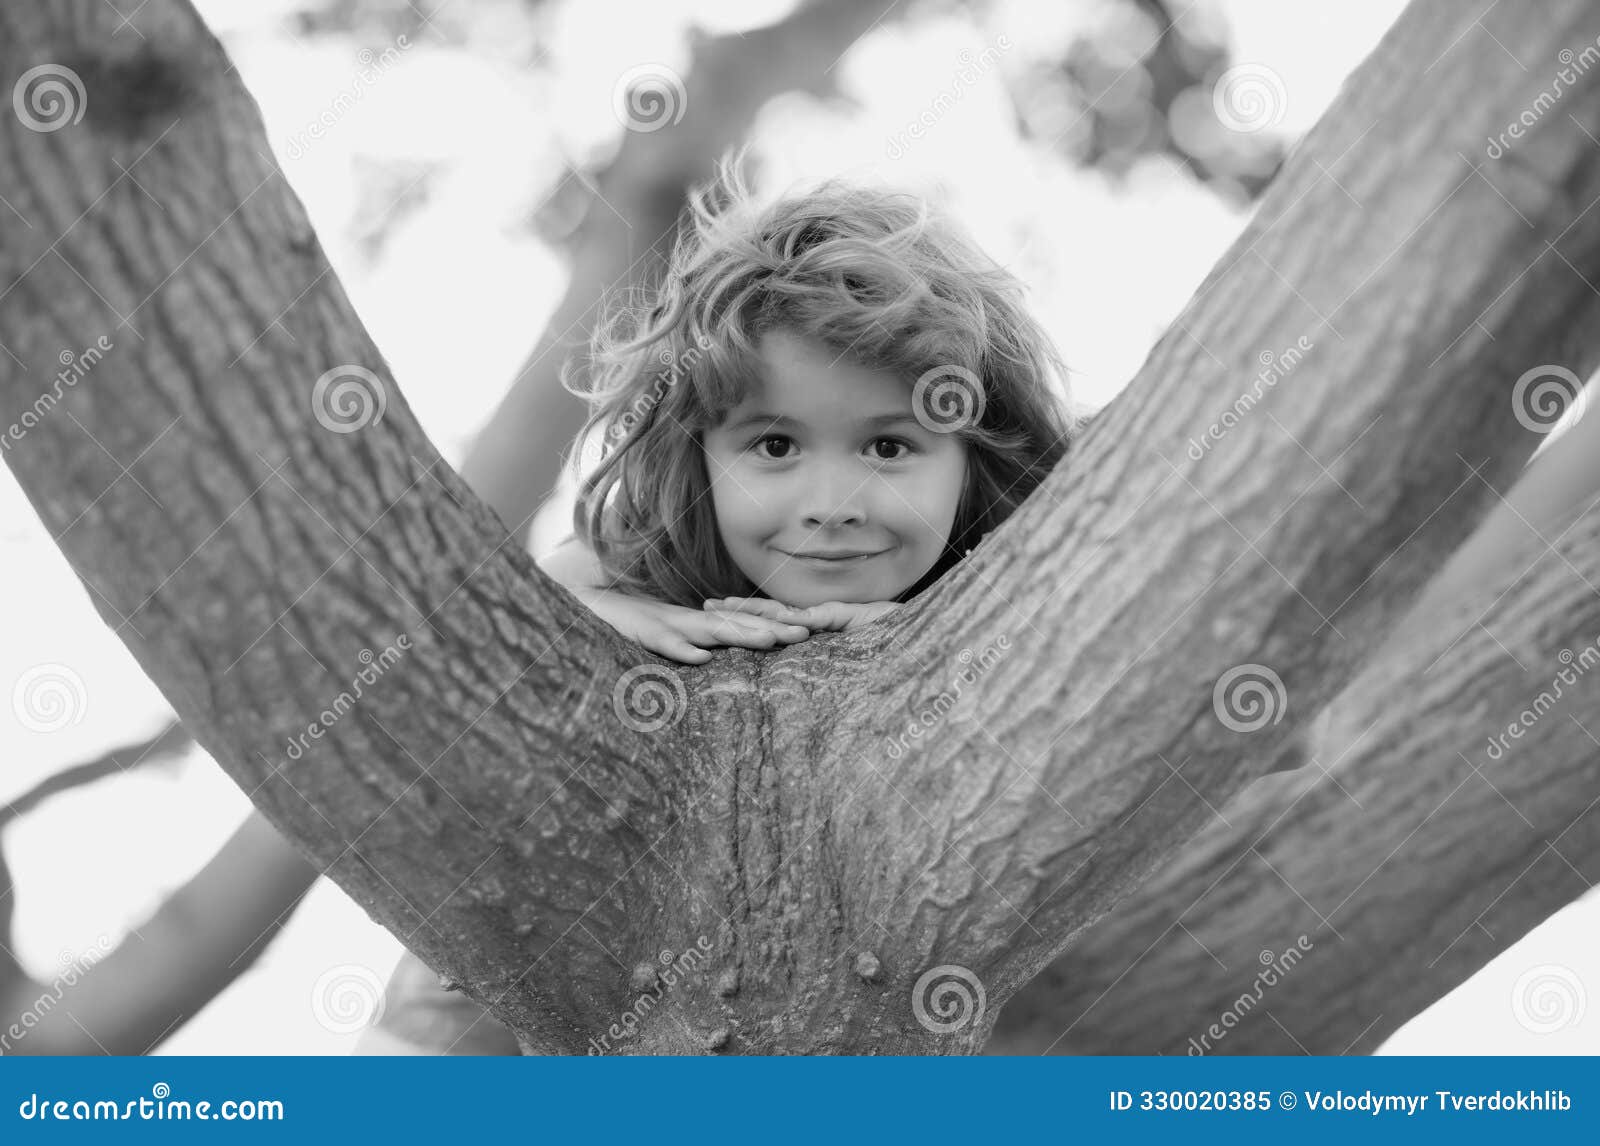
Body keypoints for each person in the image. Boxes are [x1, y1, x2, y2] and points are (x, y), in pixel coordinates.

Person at [358, 150, 1082, 1053]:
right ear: (696, 454)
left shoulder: (1011, 597)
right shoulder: (655, 565)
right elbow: (497, 619)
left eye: (889, 448)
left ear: (976, 458)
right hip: (475, 1025)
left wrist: (947, 646)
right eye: (775, 446)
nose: (832, 503)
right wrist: (591, 624)